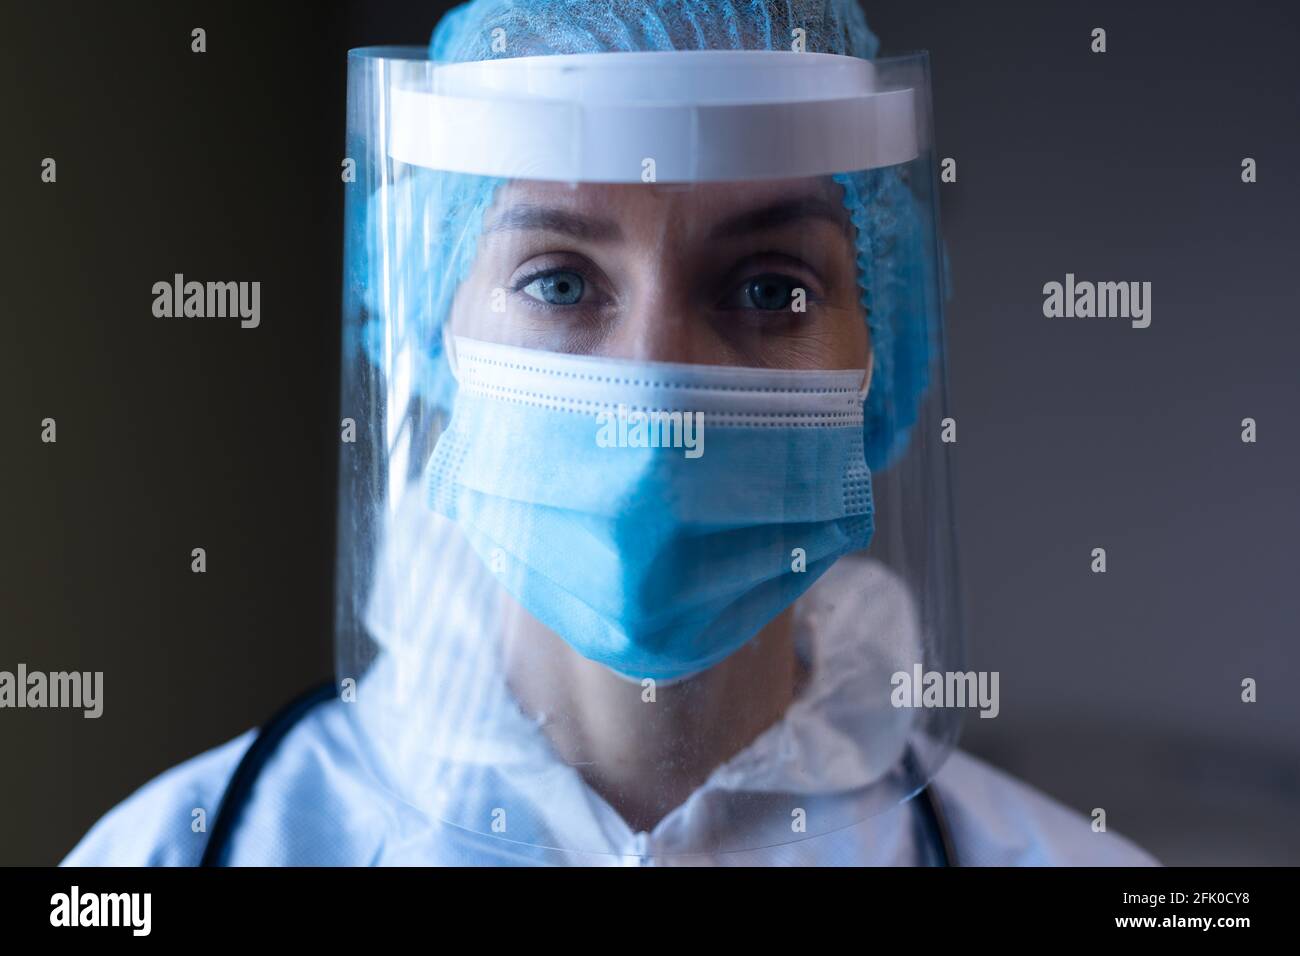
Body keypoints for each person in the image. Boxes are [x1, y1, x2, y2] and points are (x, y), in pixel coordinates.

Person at [63, 0, 1156, 867]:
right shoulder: (172, 853)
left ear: (885, 344)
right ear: (425, 323)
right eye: (558, 279)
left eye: (768, 288)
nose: (653, 394)